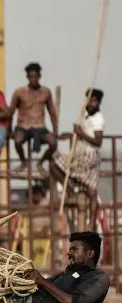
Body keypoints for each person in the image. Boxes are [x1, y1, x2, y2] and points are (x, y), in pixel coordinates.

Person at [51, 88, 104, 231]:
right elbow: (86, 134)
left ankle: (71, 193)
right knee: (91, 191)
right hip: (82, 153)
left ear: (98, 103)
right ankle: (72, 193)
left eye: (94, 101)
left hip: (88, 156)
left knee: (55, 166)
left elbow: (98, 141)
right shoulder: (87, 116)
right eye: (89, 100)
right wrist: (72, 134)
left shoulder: (98, 118)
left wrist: (80, 133)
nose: (91, 103)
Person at [6, 62, 59, 175]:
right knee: (18, 141)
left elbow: (52, 112)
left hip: (39, 126)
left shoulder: (46, 92)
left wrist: (55, 131)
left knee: (53, 143)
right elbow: (11, 112)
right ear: (27, 77)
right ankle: (23, 162)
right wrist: (9, 130)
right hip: (23, 126)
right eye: (31, 76)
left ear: (39, 76)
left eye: (35, 76)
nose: (33, 79)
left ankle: (40, 163)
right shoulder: (19, 92)